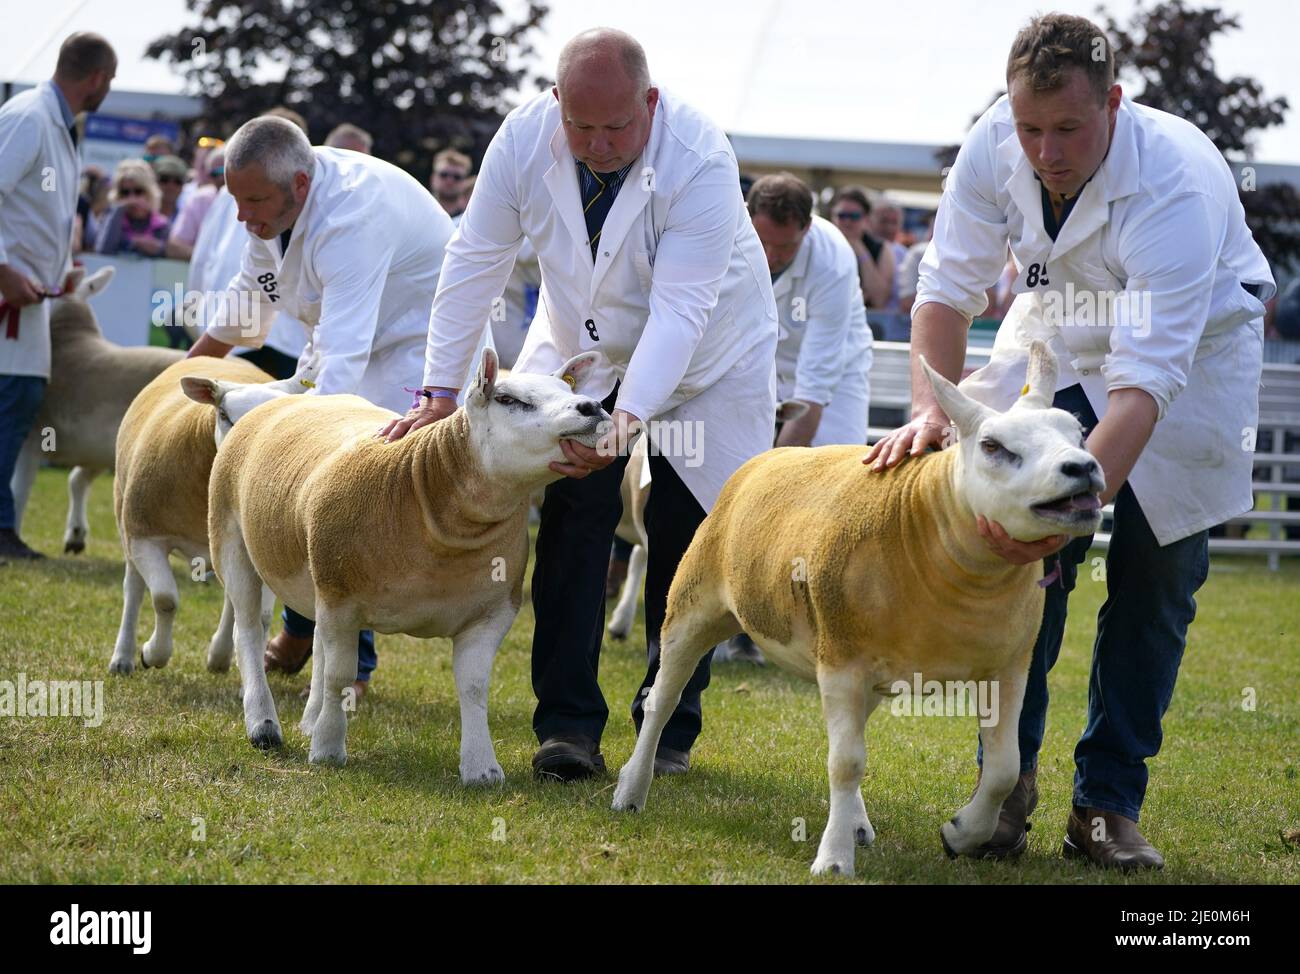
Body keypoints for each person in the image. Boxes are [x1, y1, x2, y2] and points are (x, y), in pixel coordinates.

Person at [865, 12, 1274, 870]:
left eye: (1068, 129)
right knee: (1023, 574)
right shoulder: (993, 146)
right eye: (1029, 129)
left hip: (1188, 361)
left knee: (1157, 580)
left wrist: (1071, 509)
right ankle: (1002, 791)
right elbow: (945, 288)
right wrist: (934, 412)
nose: (1045, 151)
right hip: (1056, 334)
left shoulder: (1175, 186)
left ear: (1114, 104)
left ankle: (1105, 805)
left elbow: (1145, 380)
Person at [382, 28, 779, 782]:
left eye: (617, 127)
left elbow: (680, 313)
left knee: (686, 536)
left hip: (711, 359)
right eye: (580, 125)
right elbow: (475, 260)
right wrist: (438, 390)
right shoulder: (523, 138)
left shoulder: (700, 158)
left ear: (650, 103)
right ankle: (566, 725)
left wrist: (628, 421)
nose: (597, 145)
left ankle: (667, 725)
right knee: (574, 514)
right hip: (585, 351)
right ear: (556, 102)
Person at [186, 115, 455, 698]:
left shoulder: (354, 216)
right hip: (346, 345)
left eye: (253, 200)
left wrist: (299, 442)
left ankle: (350, 668)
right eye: (237, 198)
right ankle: (303, 630)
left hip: (415, 355)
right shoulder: (270, 201)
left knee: (349, 493)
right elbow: (250, 296)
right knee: (315, 485)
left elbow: (342, 367)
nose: (241, 216)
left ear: (300, 187)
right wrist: (189, 366)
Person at [0, 32, 116, 561]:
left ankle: (3, 526)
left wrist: (63, 267)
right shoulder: (28, 117)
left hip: (33, 298)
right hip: (10, 297)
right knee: (11, 403)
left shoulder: (59, 125)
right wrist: (2, 269)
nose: (107, 90)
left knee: (18, 403)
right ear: (96, 79)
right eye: (109, 81)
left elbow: (34, 211)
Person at [747, 172, 872, 447]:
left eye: (784, 247)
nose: (769, 257)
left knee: (837, 465)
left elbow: (814, 384)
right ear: (748, 217)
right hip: (761, 364)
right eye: (762, 241)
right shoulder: (728, 239)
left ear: (807, 227)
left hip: (838, 370)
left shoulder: (833, 262)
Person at [828, 186, 894, 321]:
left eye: (854, 216)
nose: (847, 222)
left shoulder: (880, 248)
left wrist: (859, 249)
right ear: (833, 217)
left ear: (866, 219)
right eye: (842, 216)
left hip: (867, 321)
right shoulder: (822, 246)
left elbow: (879, 299)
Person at [94, 159, 170, 257]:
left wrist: (158, 249)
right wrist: (119, 209)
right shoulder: (111, 218)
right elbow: (103, 250)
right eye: (125, 192)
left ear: (149, 192)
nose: (131, 198)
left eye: (138, 191)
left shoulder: (161, 224)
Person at [166, 146, 224, 260]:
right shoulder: (199, 200)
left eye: (225, 170)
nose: (222, 178)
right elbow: (175, 246)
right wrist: (212, 261)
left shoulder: (255, 200)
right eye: (215, 173)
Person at [428, 147, 471, 219]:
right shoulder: (418, 212)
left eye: (457, 177)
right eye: (444, 175)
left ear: (464, 182)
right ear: (433, 178)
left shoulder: (470, 220)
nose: (450, 181)